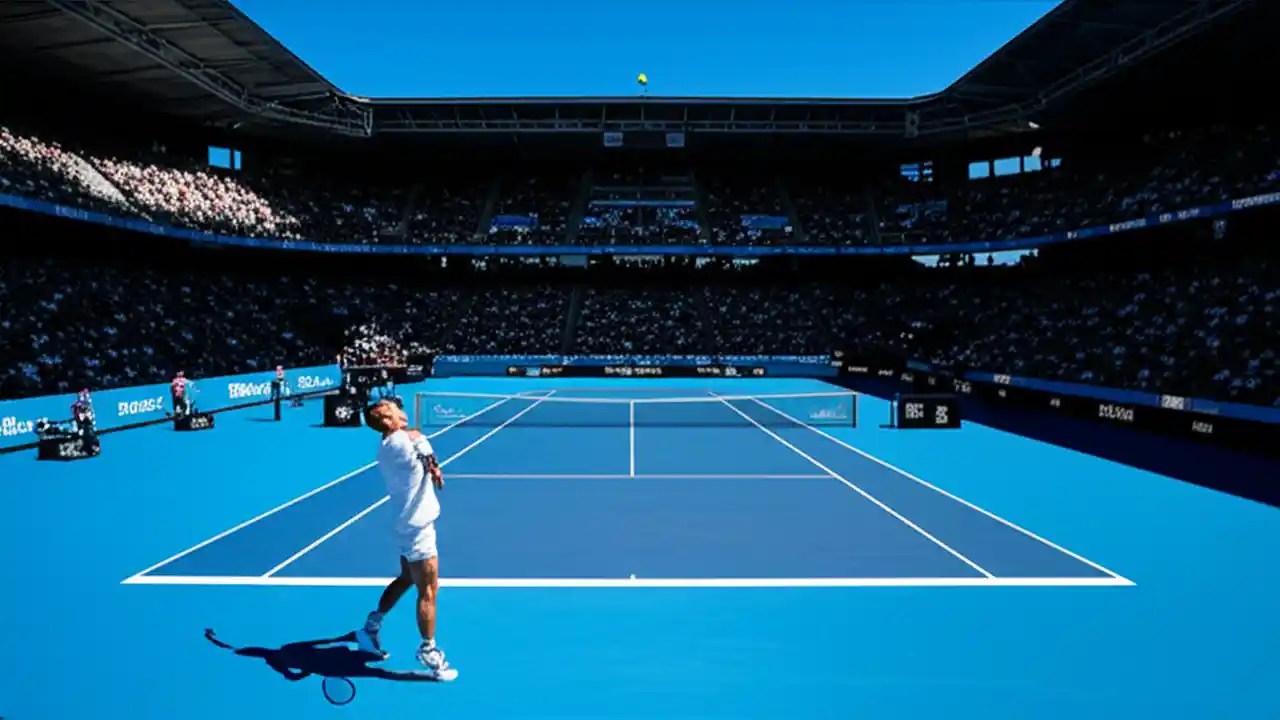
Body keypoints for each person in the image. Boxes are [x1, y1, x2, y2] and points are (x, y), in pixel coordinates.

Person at [354, 399, 457, 681]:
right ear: (387, 422)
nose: (401, 410)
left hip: (405, 522)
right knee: (429, 590)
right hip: (418, 528)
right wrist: (431, 461)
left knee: (406, 578)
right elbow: (416, 436)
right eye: (393, 409)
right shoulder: (400, 442)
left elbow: (420, 447)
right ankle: (428, 650)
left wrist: (432, 466)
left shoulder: (393, 443)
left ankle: (370, 628)